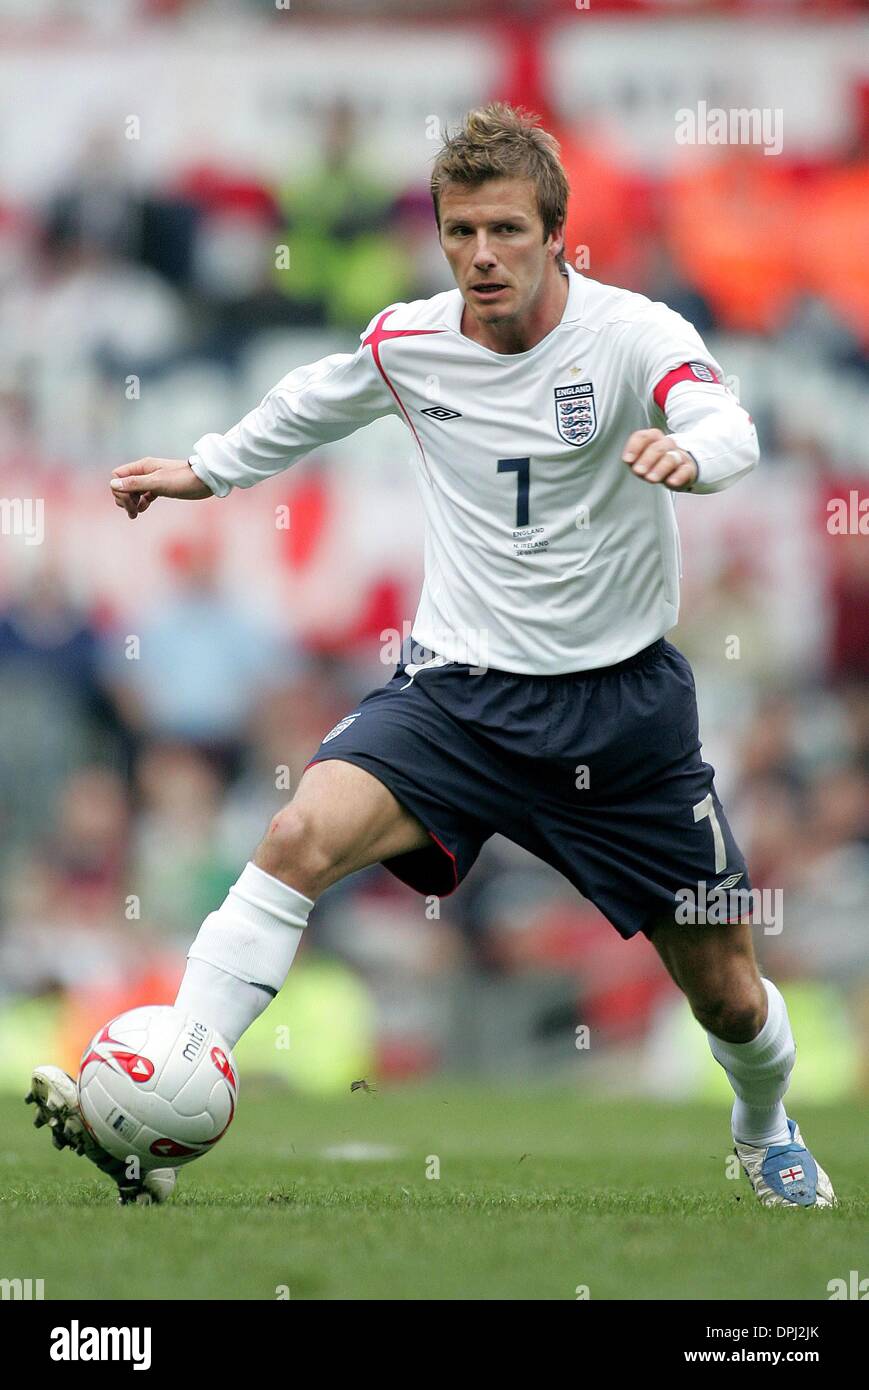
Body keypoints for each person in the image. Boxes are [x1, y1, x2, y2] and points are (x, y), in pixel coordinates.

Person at [28, 104, 834, 1209]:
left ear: (556, 233)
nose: (480, 256)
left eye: (504, 230)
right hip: (456, 695)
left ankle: (762, 1126)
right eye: (460, 232)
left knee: (729, 996)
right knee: (296, 831)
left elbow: (727, 423)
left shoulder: (631, 333)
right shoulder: (411, 341)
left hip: (620, 714)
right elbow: (314, 400)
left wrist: (687, 454)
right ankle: (160, 1094)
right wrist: (207, 469)